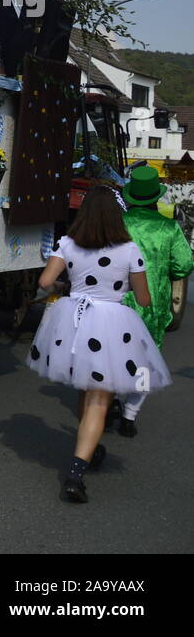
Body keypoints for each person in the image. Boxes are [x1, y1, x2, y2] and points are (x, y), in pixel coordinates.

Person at [25, 185, 171, 503]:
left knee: (84, 390)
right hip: (112, 325)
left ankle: (88, 450)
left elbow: (45, 282)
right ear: (117, 215)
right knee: (99, 401)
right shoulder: (129, 249)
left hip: (73, 324)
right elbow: (144, 299)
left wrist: (72, 285)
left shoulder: (68, 244)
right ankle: (76, 474)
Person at [119, 165, 193, 436]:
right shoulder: (169, 228)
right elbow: (184, 265)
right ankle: (129, 414)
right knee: (145, 361)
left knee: (114, 354)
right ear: (155, 197)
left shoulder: (119, 223)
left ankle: (108, 403)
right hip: (153, 304)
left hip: (118, 301)